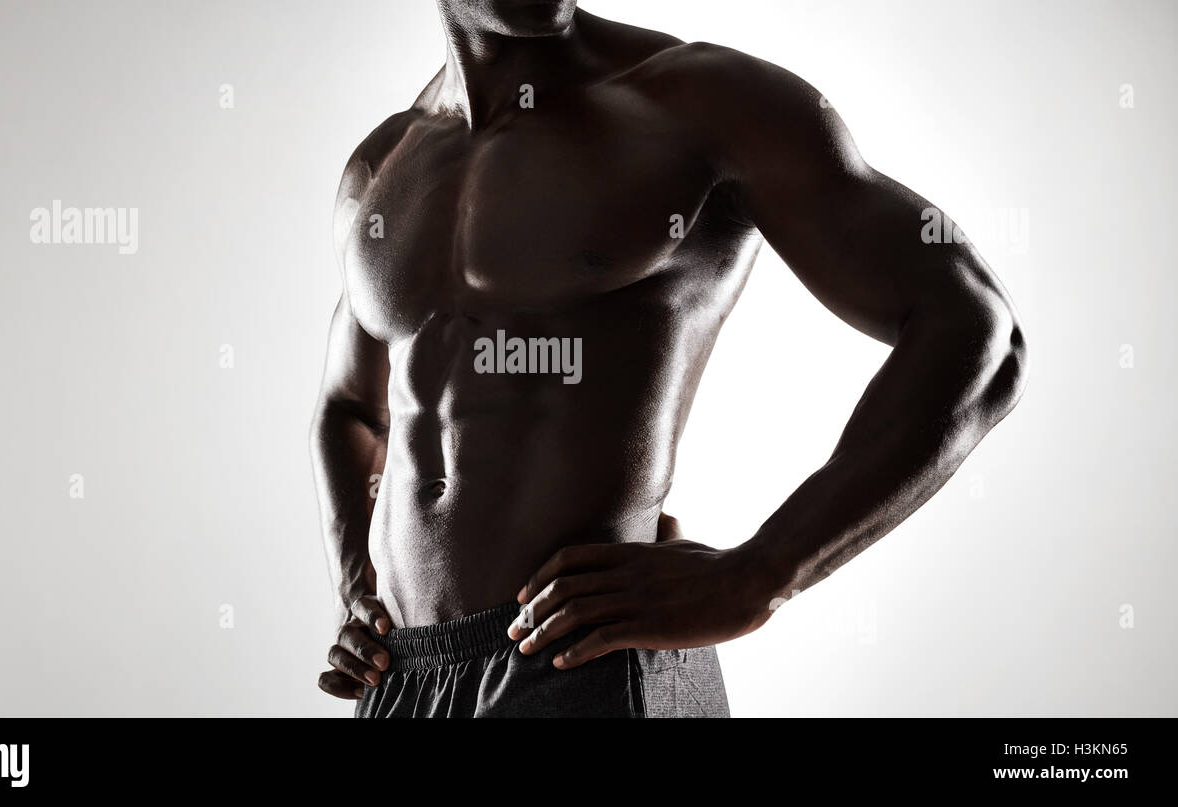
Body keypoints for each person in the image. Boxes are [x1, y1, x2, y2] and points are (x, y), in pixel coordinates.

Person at [311, 1, 1027, 717]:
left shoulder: (699, 103)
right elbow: (349, 406)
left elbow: (976, 330)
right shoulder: (383, 165)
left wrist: (763, 571)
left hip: (582, 657)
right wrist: (357, 590)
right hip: (404, 678)